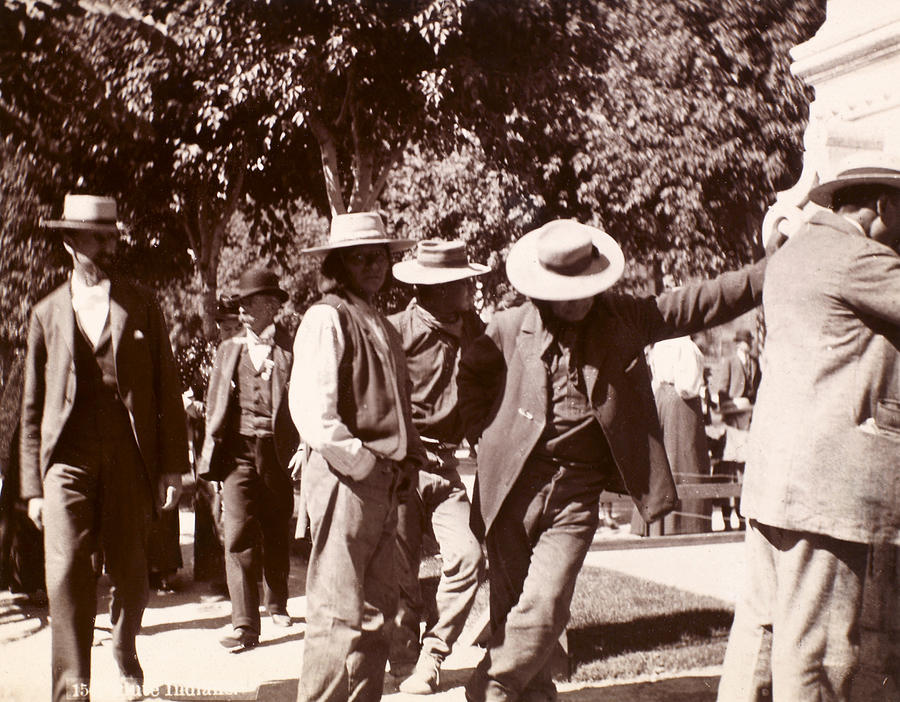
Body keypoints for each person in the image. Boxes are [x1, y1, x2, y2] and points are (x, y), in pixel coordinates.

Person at [457, 219, 766, 702]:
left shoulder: (624, 318)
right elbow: (470, 377)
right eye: (566, 293)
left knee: (546, 604)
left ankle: (490, 684)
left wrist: (771, 271)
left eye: (586, 288)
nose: (579, 301)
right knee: (510, 608)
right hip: (511, 486)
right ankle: (531, 693)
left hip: (576, 491)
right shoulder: (508, 327)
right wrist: (484, 435)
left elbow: (699, 302)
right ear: (543, 289)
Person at [717, 159, 900, 701]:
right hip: (828, 488)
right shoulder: (861, 258)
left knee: (761, 635)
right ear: (884, 207)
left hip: (775, 478)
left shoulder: (793, 254)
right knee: (817, 653)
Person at [19, 194, 189, 701]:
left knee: (132, 574)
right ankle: (73, 689)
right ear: (70, 243)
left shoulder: (141, 305)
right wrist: (32, 488)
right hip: (66, 462)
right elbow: (32, 407)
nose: (108, 246)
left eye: (112, 237)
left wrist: (173, 469)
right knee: (67, 574)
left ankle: (124, 649)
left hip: (128, 457)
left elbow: (167, 391)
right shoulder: (46, 313)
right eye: (97, 238)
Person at [289, 212, 427, 702]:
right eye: (360, 258)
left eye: (380, 257)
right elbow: (314, 414)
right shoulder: (327, 317)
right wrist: (364, 463)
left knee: (376, 612)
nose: (374, 266)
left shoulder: (381, 323)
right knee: (337, 613)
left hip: (383, 481)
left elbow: (396, 406)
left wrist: (402, 462)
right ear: (338, 265)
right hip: (345, 479)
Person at [386, 240, 489, 694]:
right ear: (439, 288)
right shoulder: (395, 332)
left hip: (446, 471)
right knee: (400, 573)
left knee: (468, 557)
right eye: (464, 282)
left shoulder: (476, 331)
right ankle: (405, 660)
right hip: (402, 468)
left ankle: (434, 653)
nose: (472, 288)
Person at [198, 268, 298, 651]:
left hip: (277, 450)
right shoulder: (228, 350)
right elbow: (214, 405)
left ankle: (277, 601)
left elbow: (305, 400)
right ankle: (244, 624)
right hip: (238, 452)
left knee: (275, 525)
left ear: (272, 306)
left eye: (250, 303)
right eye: (240, 304)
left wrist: (302, 448)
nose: (242, 311)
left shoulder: (292, 348)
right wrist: (212, 453)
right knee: (237, 531)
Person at [647, 334, 711, 535]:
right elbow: (687, 386)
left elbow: (655, 379)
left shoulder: (660, 344)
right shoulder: (686, 346)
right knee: (684, 457)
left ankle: (658, 524)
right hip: (681, 404)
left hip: (661, 399)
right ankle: (685, 523)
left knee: (663, 457)